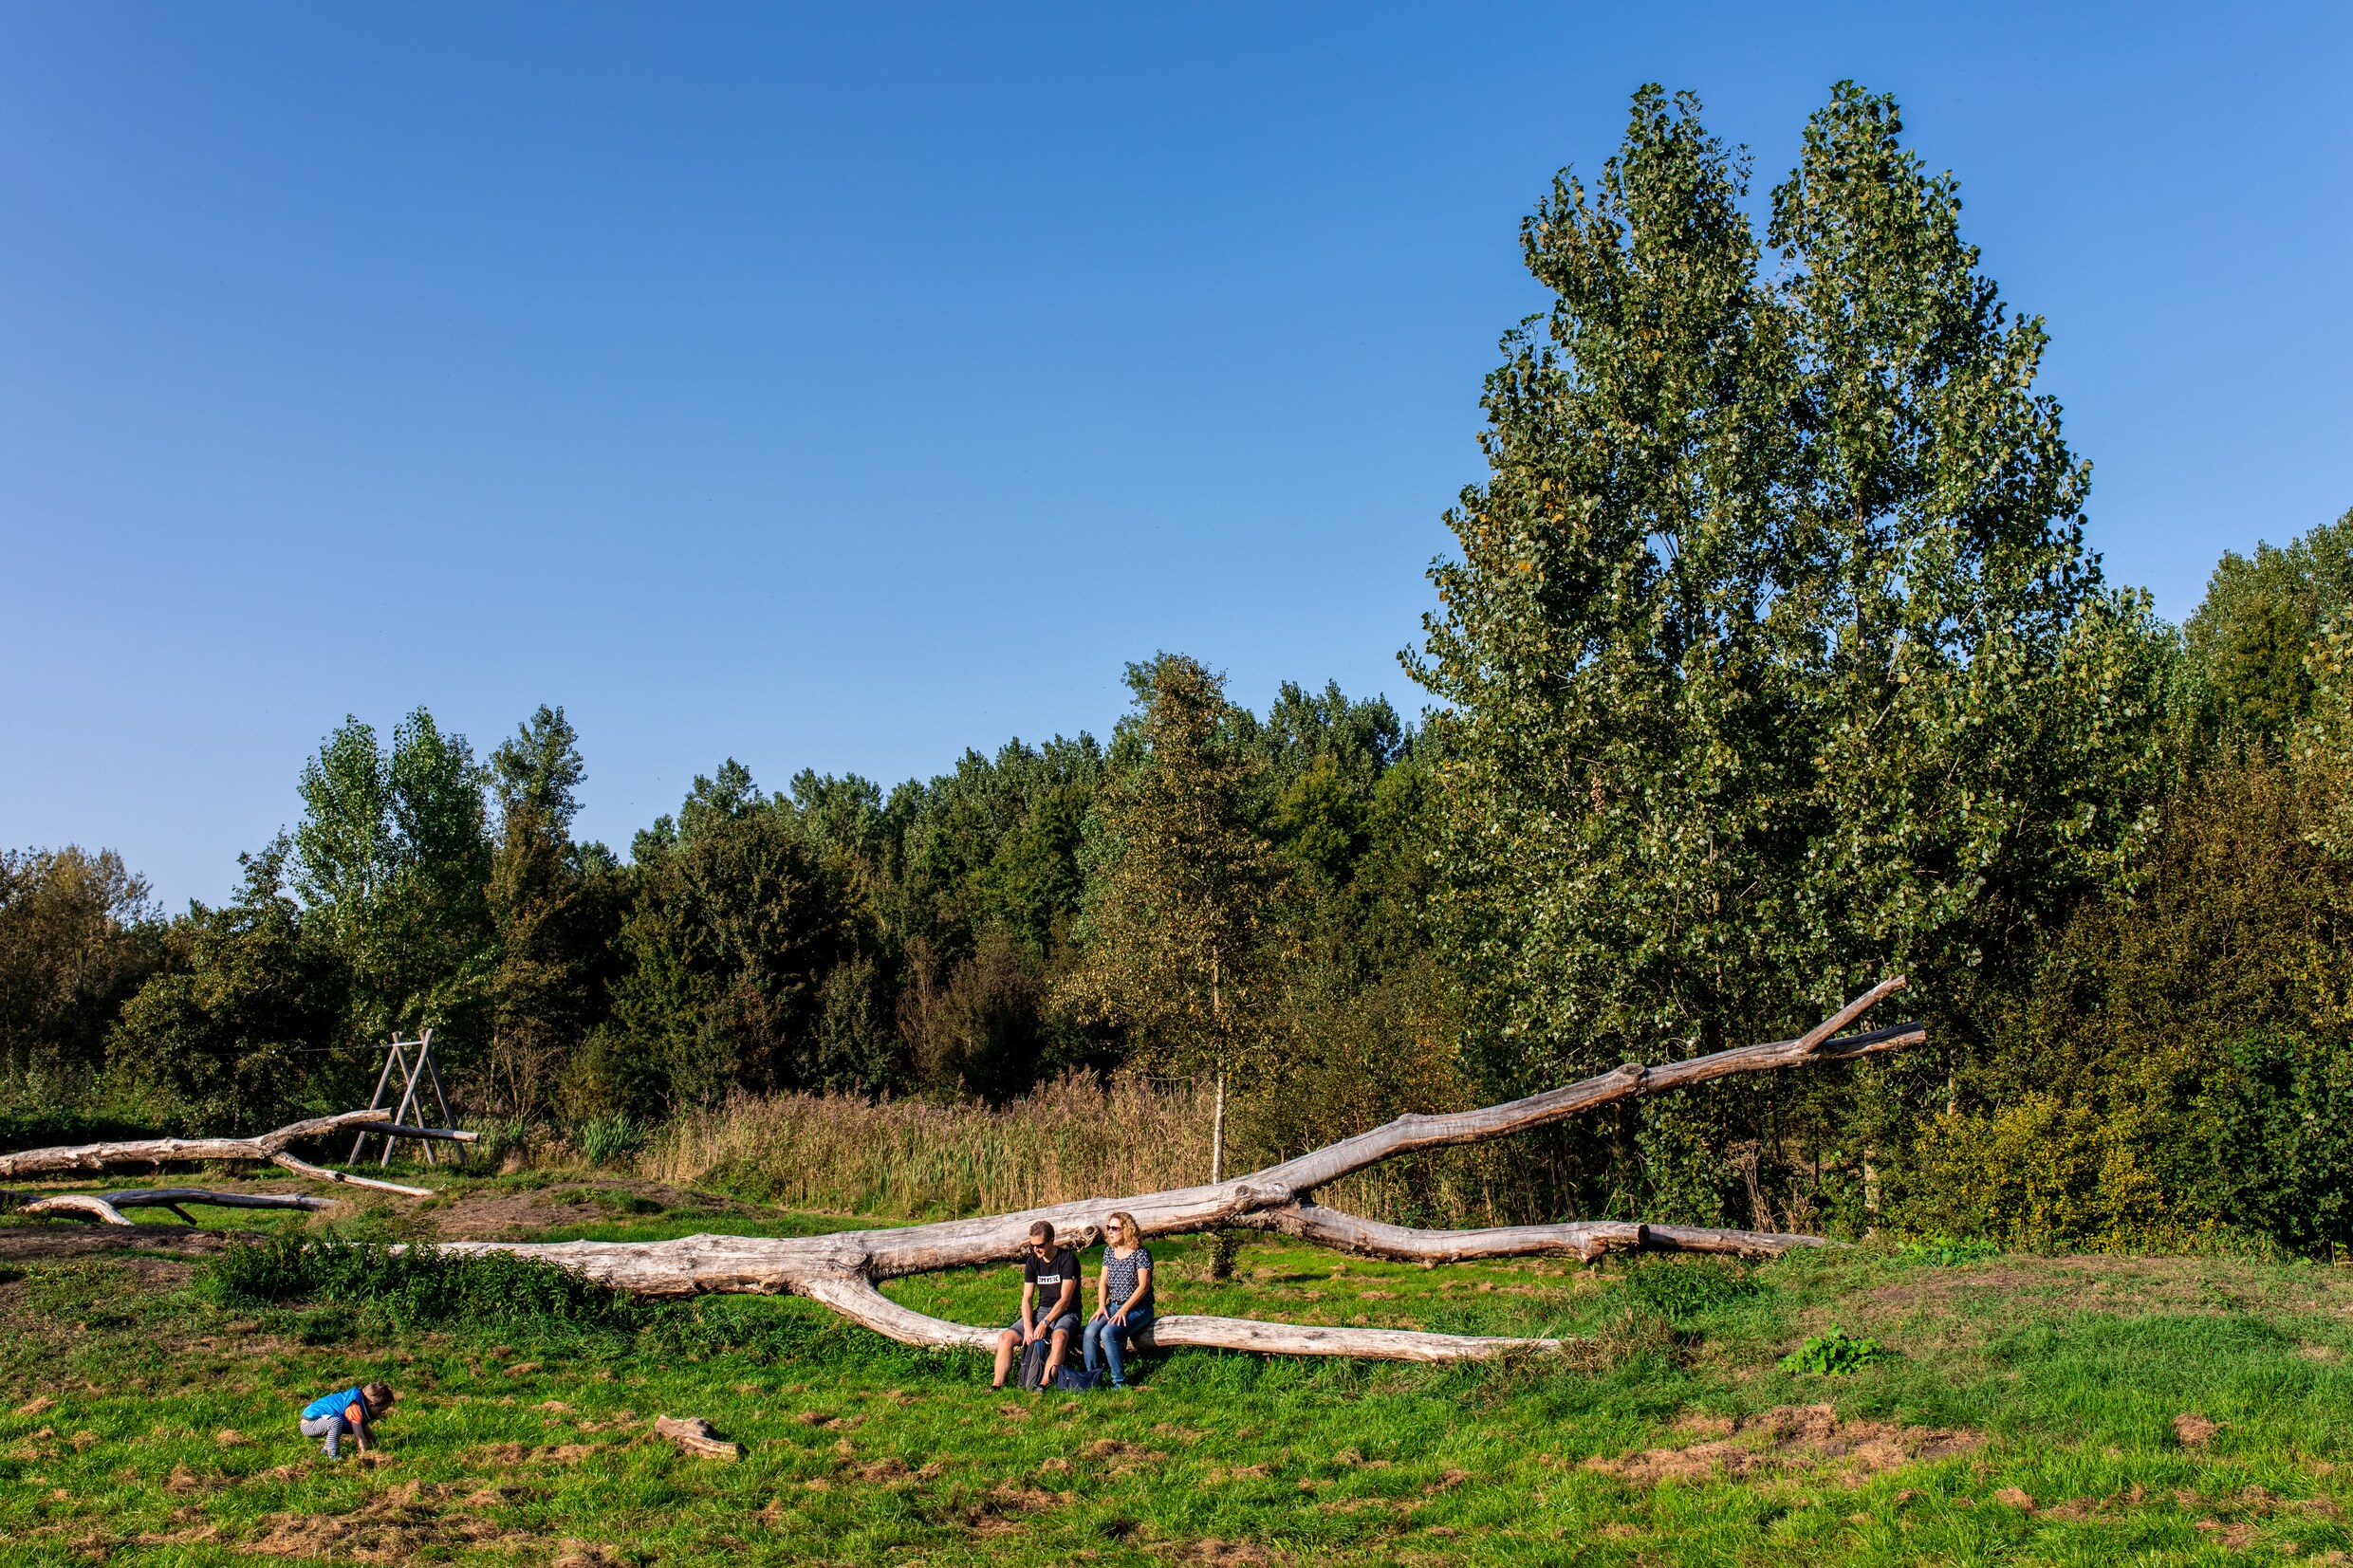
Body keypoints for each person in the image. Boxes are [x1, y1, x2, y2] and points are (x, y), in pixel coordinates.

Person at [991, 1220, 1081, 1391]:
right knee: (1005, 1338)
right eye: (1032, 1246)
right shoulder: (1033, 1262)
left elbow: (1065, 1300)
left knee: (1059, 1337)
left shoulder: (1067, 1259)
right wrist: (1028, 1325)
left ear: (1051, 1241)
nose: (1036, 1250)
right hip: (1042, 1310)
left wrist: (1044, 1323)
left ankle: (1043, 1384)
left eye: (1039, 1245)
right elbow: (1027, 1298)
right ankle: (997, 1385)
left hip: (1067, 1312)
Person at [1081, 1209, 1154, 1389]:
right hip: (1114, 1305)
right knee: (1090, 1332)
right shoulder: (1108, 1252)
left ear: (1127, 1230)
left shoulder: (1141, 1254)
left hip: (1139, 1308)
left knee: (1108, 1333)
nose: (1110, 1232)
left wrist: (1125, 1309)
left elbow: (1143, 1286)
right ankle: (1093, 1378)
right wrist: (1101, 1306)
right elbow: (1103, 1282)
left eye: (1115, 1228)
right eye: (1108, 1228)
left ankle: (1119, 1381)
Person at [298, 1380, 395, 1459]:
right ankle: (333, 1456)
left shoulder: (362, 1406)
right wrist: (365, 1455)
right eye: (381, 1410)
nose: (381, 1413)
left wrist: (376, 1445)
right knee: (335, 1422)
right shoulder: (355, 1407)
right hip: (309, 1425)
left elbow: (365, 1429)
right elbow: (359, 1436)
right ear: (371, 1404)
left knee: (335, 1422)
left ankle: (326, 1450)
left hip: (319, 1423)